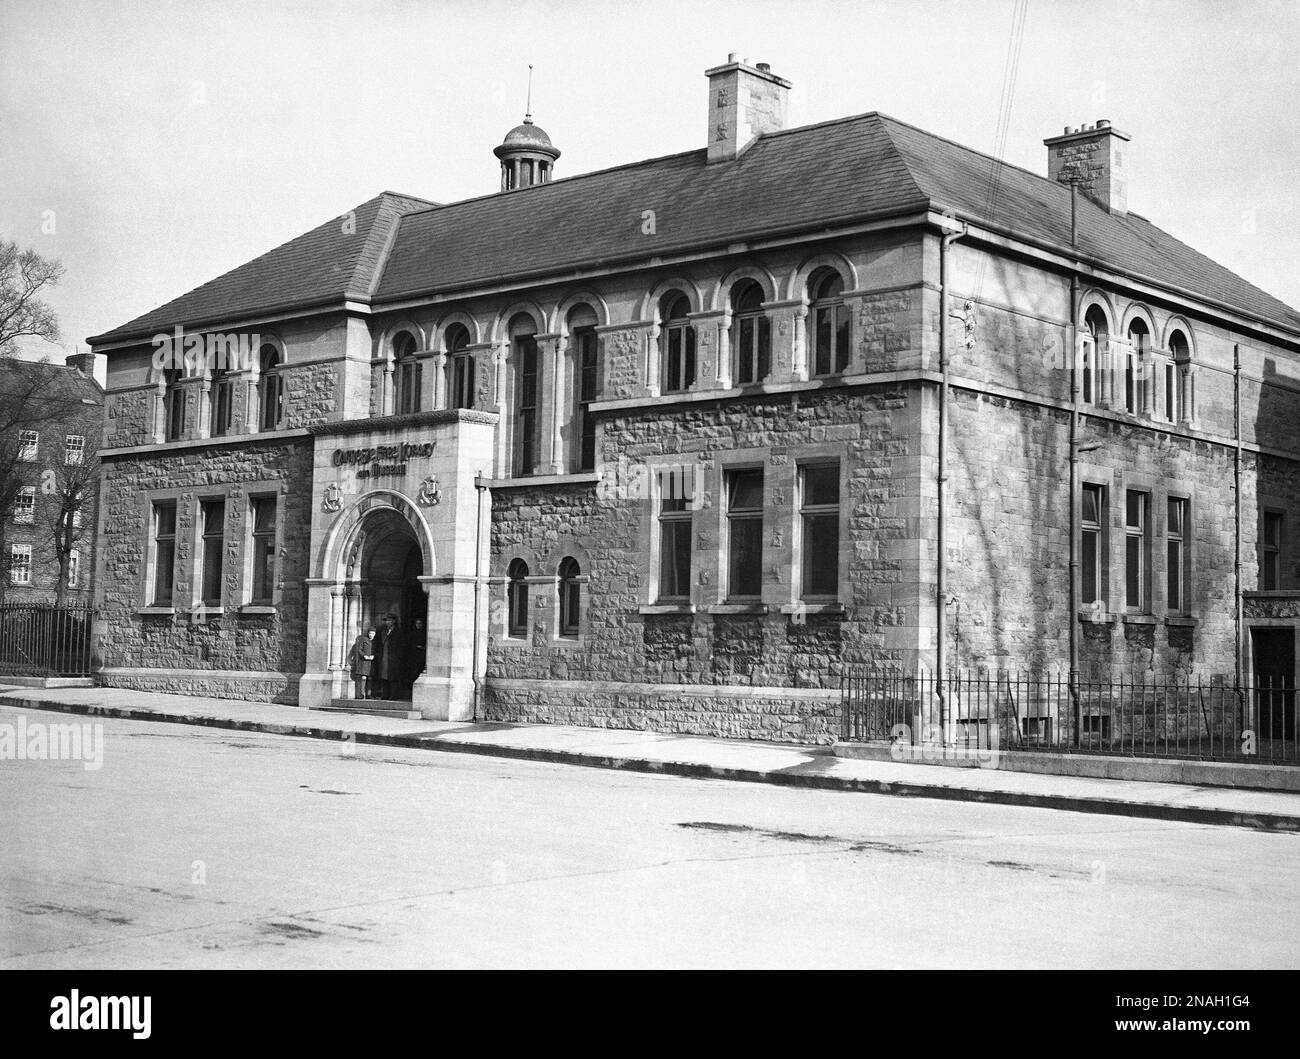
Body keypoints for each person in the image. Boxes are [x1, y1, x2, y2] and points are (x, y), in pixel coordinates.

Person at [373, 613, 403, 700]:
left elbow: (401, 646)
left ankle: (394, 695)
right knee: (383, 677)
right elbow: (378, 644)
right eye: (386, 620)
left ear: (394, 621)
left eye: (389, 620)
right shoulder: (382, 632)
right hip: (383, 658)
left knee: (393, 678)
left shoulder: (398, 632)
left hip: (393, 659)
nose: (387, 622)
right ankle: (385, 694)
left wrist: (398, 657)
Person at [347, 626, 376, 699]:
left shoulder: (375, 642)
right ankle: (362, 695)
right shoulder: (363, 640)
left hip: (371, 662)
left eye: (372, 633)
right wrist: (364, 655)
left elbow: (378, 652)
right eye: (370, 633)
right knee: (363, 677)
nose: (371, 635)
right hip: (364, 662)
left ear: (375, 634)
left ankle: (369, 694)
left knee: (370, 678)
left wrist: (374, 656)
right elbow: (359, 650)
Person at [407, 618, 427, 692]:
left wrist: (423, 647)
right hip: (413, 655)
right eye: (417, 623)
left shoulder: (425, 633)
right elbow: (409, 643)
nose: (418, 625)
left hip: (421, 655)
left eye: (420, 623)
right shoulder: (412, 633)